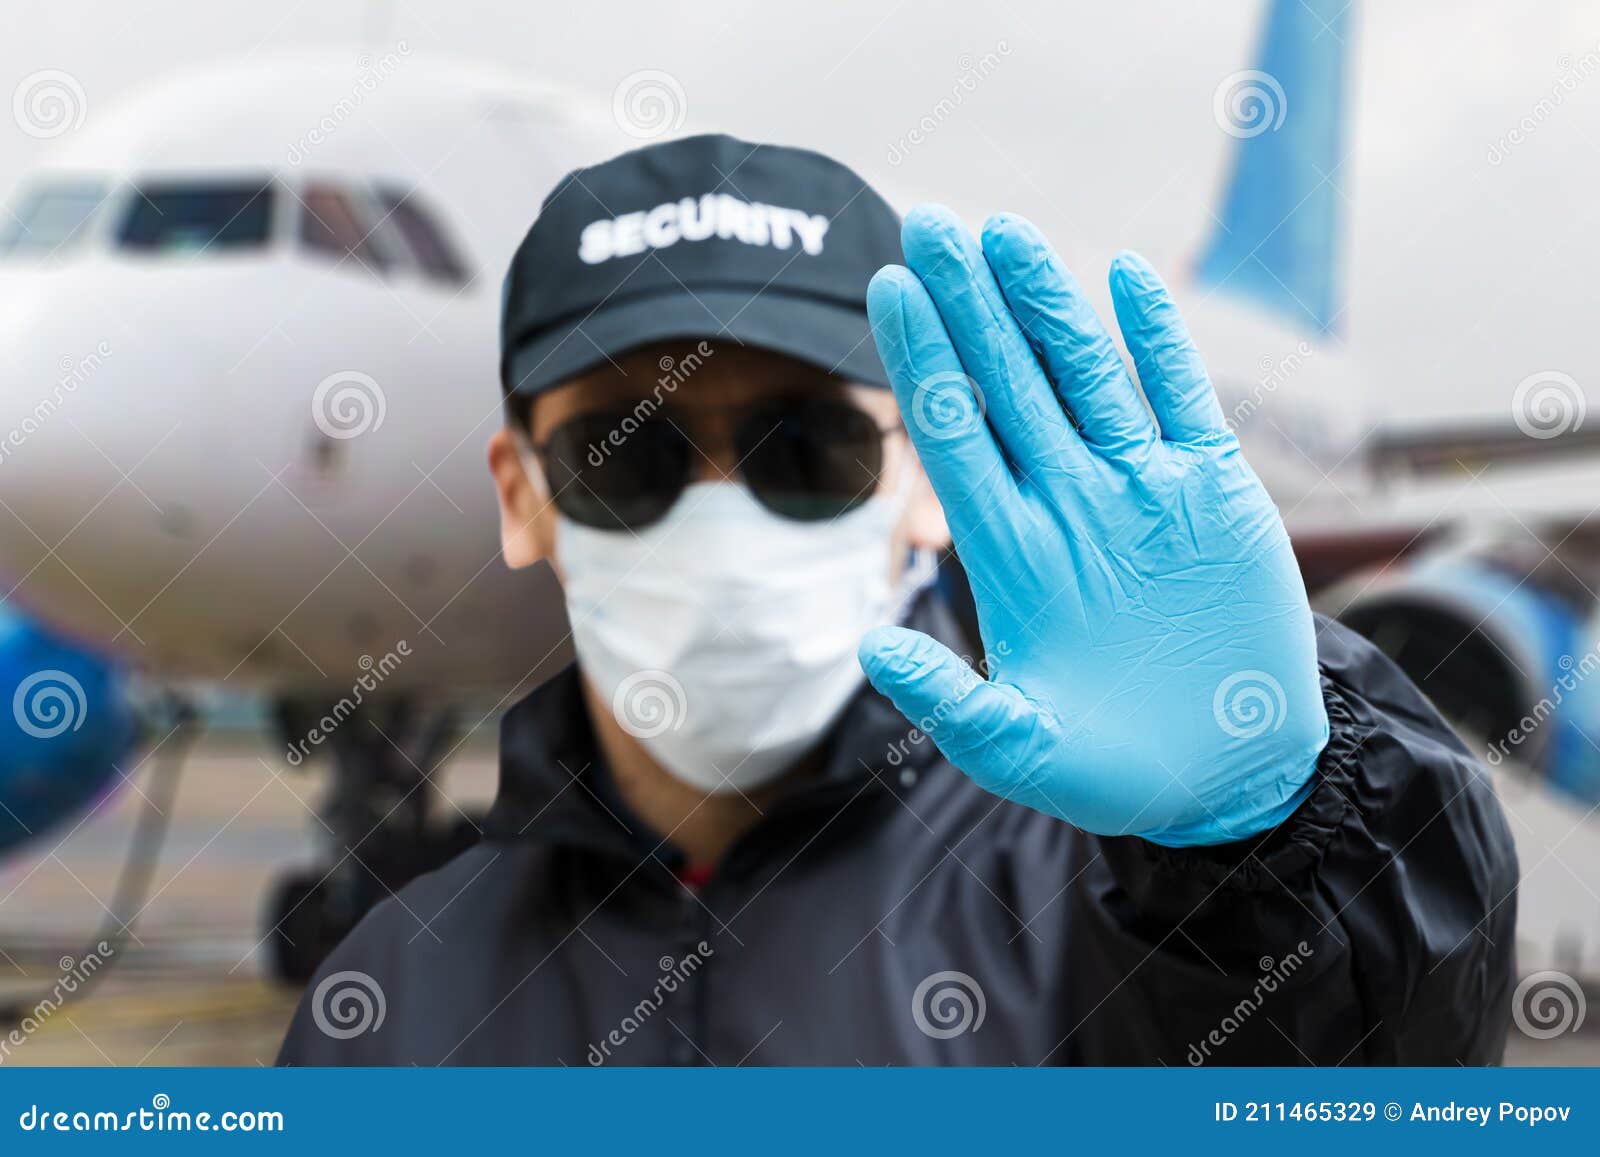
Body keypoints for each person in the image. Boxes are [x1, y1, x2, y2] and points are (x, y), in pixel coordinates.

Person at [278, 134, 1517, 1066]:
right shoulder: (384, 997)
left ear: (926, 473)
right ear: (521, 494)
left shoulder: (1117, 910)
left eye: (804, 447)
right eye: (629, 454)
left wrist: (1267, 843)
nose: (722, 514)